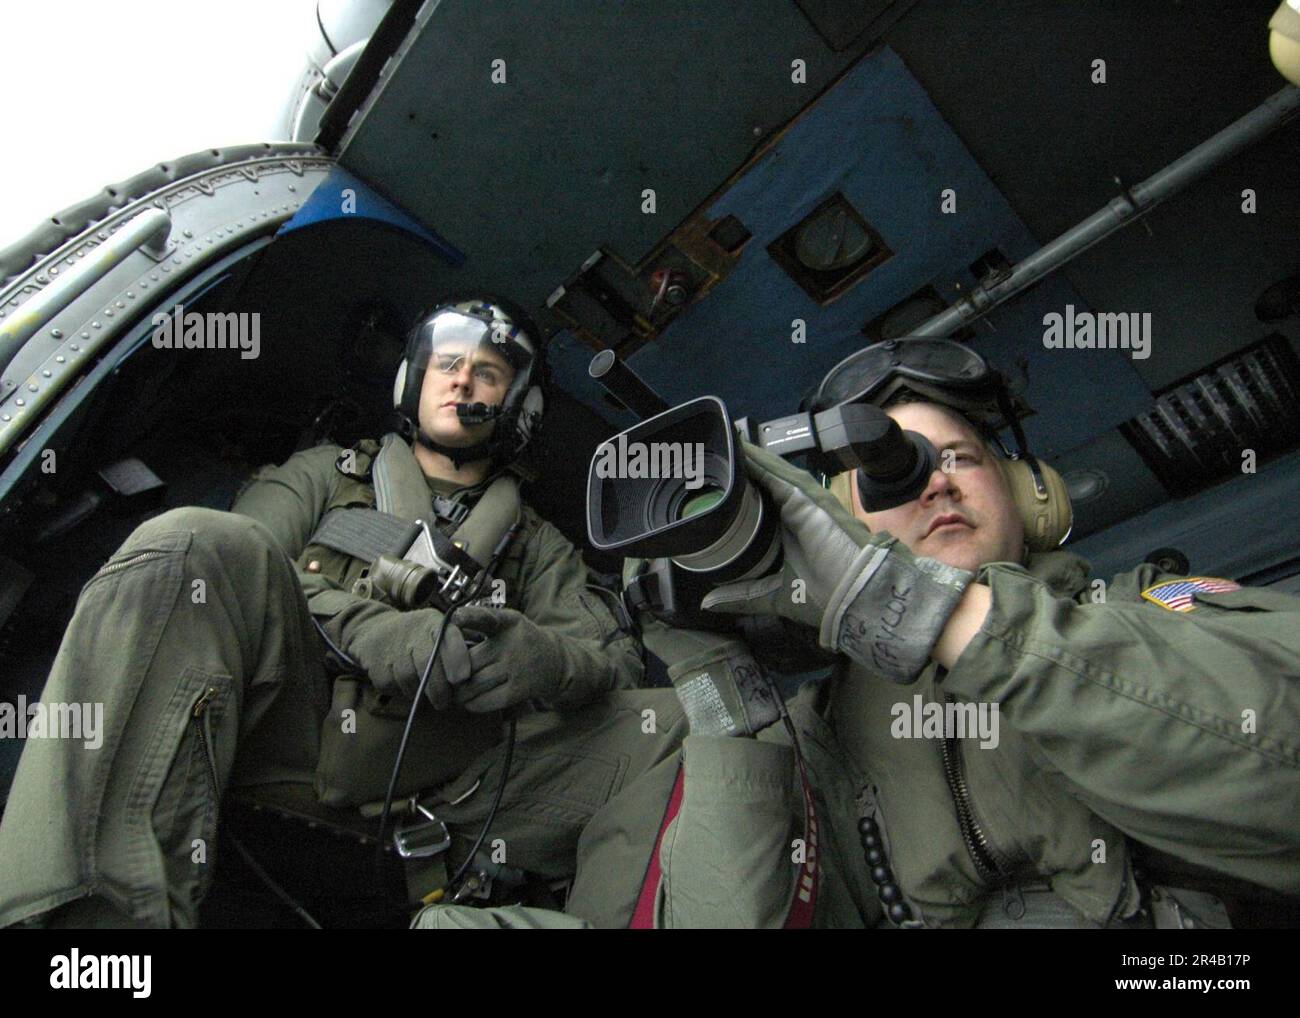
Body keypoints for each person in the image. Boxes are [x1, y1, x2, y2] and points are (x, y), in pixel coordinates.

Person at [416, 337, 1300, 929]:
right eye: (891, 477)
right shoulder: (820, 731)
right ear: (842, 524)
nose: (934, 487)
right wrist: (732, 711)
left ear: (1032, 491)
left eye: (955, 458)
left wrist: (928, 613)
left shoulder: (1153, 610)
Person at [0, 296, 686, 928]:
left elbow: (615, 667)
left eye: (489, 372)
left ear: (522, 404)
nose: (462, 382)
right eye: (447, 364)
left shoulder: (540, 547)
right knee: (193, 543)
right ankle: (91, 934)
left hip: (459, 787)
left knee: (672, 725)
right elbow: (237, 572)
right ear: (412, 379)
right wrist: (373, 628)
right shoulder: (323, 474)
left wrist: (546, 660)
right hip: (283, 733)